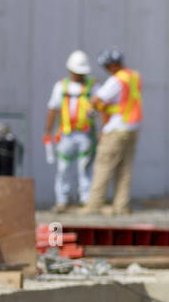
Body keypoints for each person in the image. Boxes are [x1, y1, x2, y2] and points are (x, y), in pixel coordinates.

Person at [84, 48, 143, 215]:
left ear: (111, 65)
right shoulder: (134, 76)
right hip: (132, 128)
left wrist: (94, 107)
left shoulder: (116, 80)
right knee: (125, 169)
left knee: (104, 165)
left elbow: (97, 99)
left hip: (117, 128)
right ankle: (121, 206)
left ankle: (94, 206)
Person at [42, 50, 96, 213]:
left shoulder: (92, 86)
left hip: (85, 134)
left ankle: (85, 200)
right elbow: (53, 109)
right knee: (63, 168)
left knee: (84, 167)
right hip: (66, 134)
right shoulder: (61, 87)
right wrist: (48, 131)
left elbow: (102, 108)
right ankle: (62, 200)